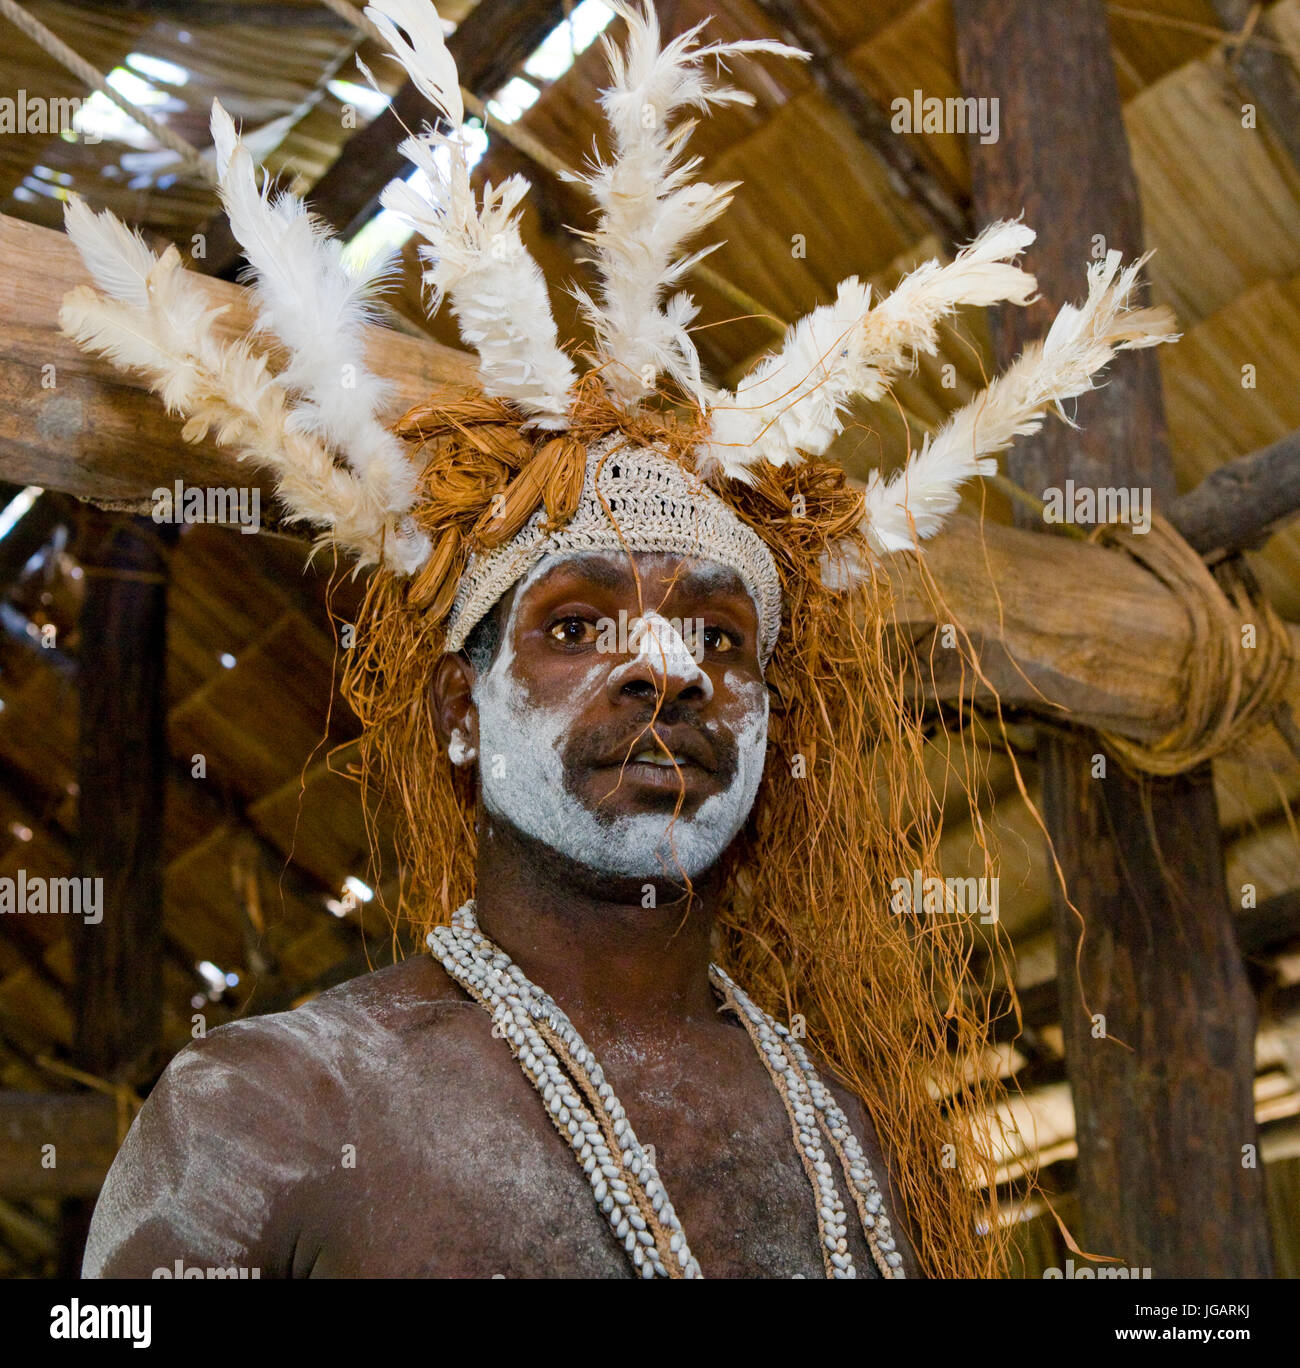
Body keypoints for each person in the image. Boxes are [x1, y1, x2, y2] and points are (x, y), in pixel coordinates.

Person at [65, 0, 1176, 1279]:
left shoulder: (852, 1141)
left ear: (774, 724)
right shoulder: (268, 1115)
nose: (669, 667)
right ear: (456, 712)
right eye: (578, 622)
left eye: (719, 632)